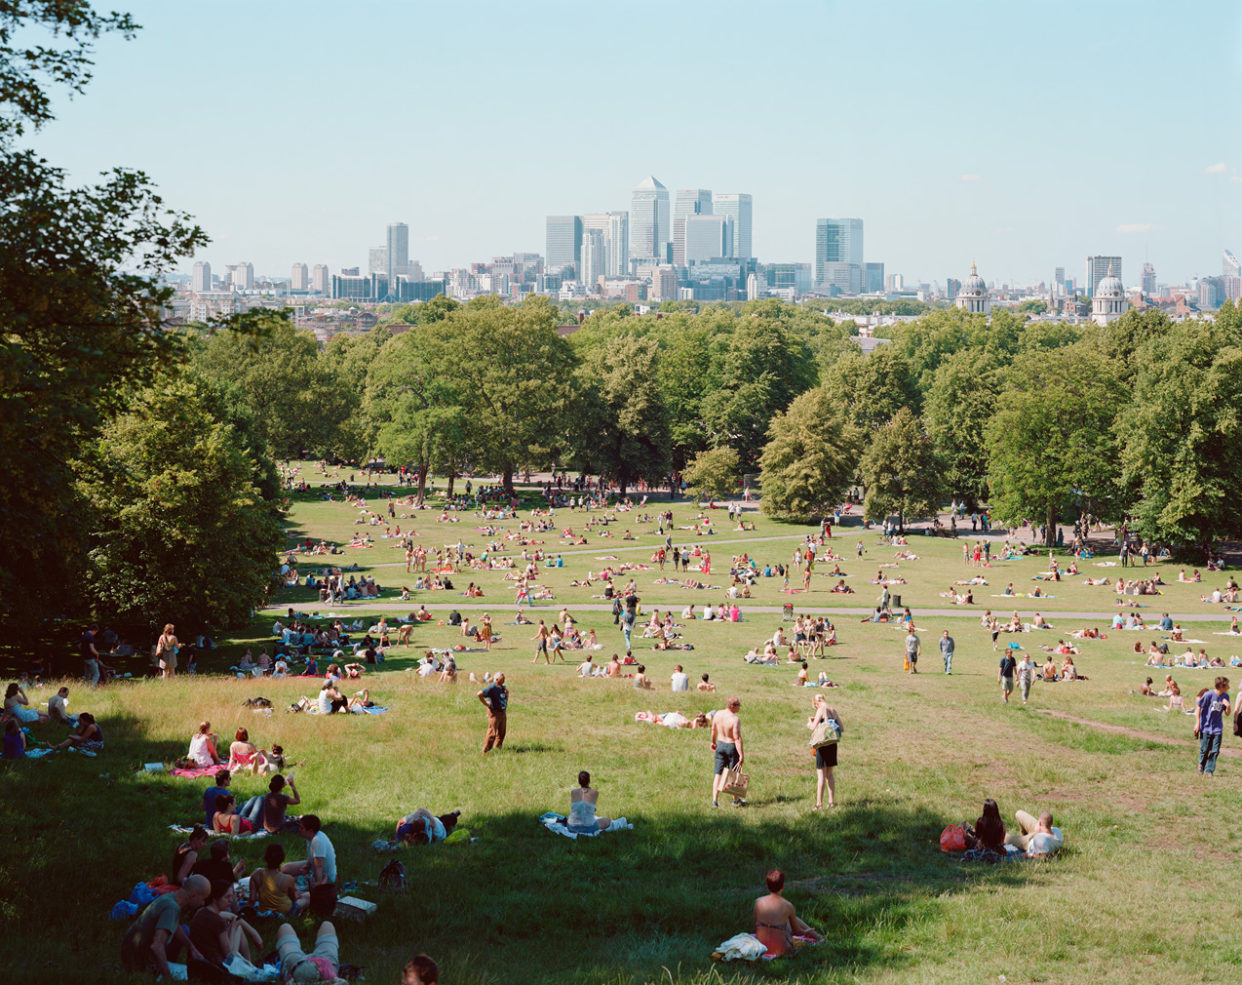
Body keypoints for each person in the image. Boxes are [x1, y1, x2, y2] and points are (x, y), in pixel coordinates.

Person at [120, 873, 210, 977]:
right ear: (193, 895)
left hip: (130, 950)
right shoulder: (172, 908)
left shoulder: (171, 897)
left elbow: (174, 925)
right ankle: (158, 970)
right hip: (137, 960)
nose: (203, 903)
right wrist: (169, 978)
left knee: (184, 930)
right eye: (203, 899)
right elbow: (157, 946)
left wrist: (191, 948)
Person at [190, 881, 261, 969]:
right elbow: (229, 956)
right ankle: (250, 966)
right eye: (227, 897)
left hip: (198, 962)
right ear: (215, 899)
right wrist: (233, 928)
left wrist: (253, 933)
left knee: (237, 924)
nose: (231, 900)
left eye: (232, 896)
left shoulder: (202, 912)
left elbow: (234, 917)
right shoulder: (218, 921)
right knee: (237, 927)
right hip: (217, 965)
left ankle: (249, 965)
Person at [752, 868, 823, 958]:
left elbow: (756, 928)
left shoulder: (758, 902)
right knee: (792, 920)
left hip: (761, 948)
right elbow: (798, 932)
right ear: (783, 886)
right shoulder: (787, 905)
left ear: (767, 885)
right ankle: (818, 937)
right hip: (781, 950)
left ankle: (818, 937)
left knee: (779, 923)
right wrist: (807, 931)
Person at [282, 814, 337, 917]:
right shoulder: (310, 838)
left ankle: (302, 896)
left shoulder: (318, 841)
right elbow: (312, 857)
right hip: (313, 868)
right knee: (285, 869)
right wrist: (306, 866)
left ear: (310, 831)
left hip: (324, 877)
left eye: (302, 828)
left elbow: (319, 866)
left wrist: (317, 885)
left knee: (288, 881)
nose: (299, 829)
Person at [275, 920, 340, 983]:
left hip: (297, 965)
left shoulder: (292, 977)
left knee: (285, 927)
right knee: (327, 925)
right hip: (324, 963)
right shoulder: (329, 975)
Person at [249, 842, 302, 916]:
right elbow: (293, 899)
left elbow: (252, 899)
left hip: (264, 912)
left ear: (265, 857)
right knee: (306, 898)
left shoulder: (256, 874)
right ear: (282, 859)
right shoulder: (288, 879)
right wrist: (297, 896)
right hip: (285, 912)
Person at [710, 696, 744, 808]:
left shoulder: (718, 714)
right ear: (733, 706)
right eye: (738, 705)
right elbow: (737, 738)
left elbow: (713, 729)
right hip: (731, 746)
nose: (740, 707)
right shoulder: (735, 719)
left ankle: (715, 801)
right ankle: (735, 800)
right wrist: (741, 755)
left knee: (718, 774)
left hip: (720, 744)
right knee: (733, 774)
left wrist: (713, 742)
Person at [809, 694, 841, 810]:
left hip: (822, 744)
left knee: (821, 775)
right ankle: (831, 802)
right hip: (832, 743)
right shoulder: (833, 710)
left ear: (816, 703)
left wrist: (810, 722)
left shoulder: (820, 710)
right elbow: (841, 728)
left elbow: (813, 727)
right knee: (830, 774)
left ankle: (819, 804)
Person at [1194, 675, 1231, 776]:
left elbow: (1227, 714)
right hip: (1205, 727)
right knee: (1205, 749)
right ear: (1221, 686)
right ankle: (1201, 764)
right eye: (1227, 685)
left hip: (1217, 728)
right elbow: (1198, 706)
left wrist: (1227, 706)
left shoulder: (1226, 697)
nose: (1229, 687)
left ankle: (1209, 770)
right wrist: (1198, 723)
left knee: (1215, 750)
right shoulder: (1209, 695)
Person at [478, 672, 508, 754]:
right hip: (494, 712)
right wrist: (486, 703)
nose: (504, 678)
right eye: (502, 676)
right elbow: (480, 694)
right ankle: (486, 751)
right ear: (497, 679)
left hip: (502, 712)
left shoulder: (503, 687)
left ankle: (498, 748)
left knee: (502, 732)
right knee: (492, 733)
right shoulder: (492, 687)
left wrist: (507, 695)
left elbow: (504, 698)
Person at [396, 807, 461, 844]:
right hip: (439, 825)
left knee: (449, 819)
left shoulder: (428, 827)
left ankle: (455, 814)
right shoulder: (412, 818)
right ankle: (454, 815)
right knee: (445, 818)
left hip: (442, 826)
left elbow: (427, 841)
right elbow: (400, 821)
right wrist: (396, 836)